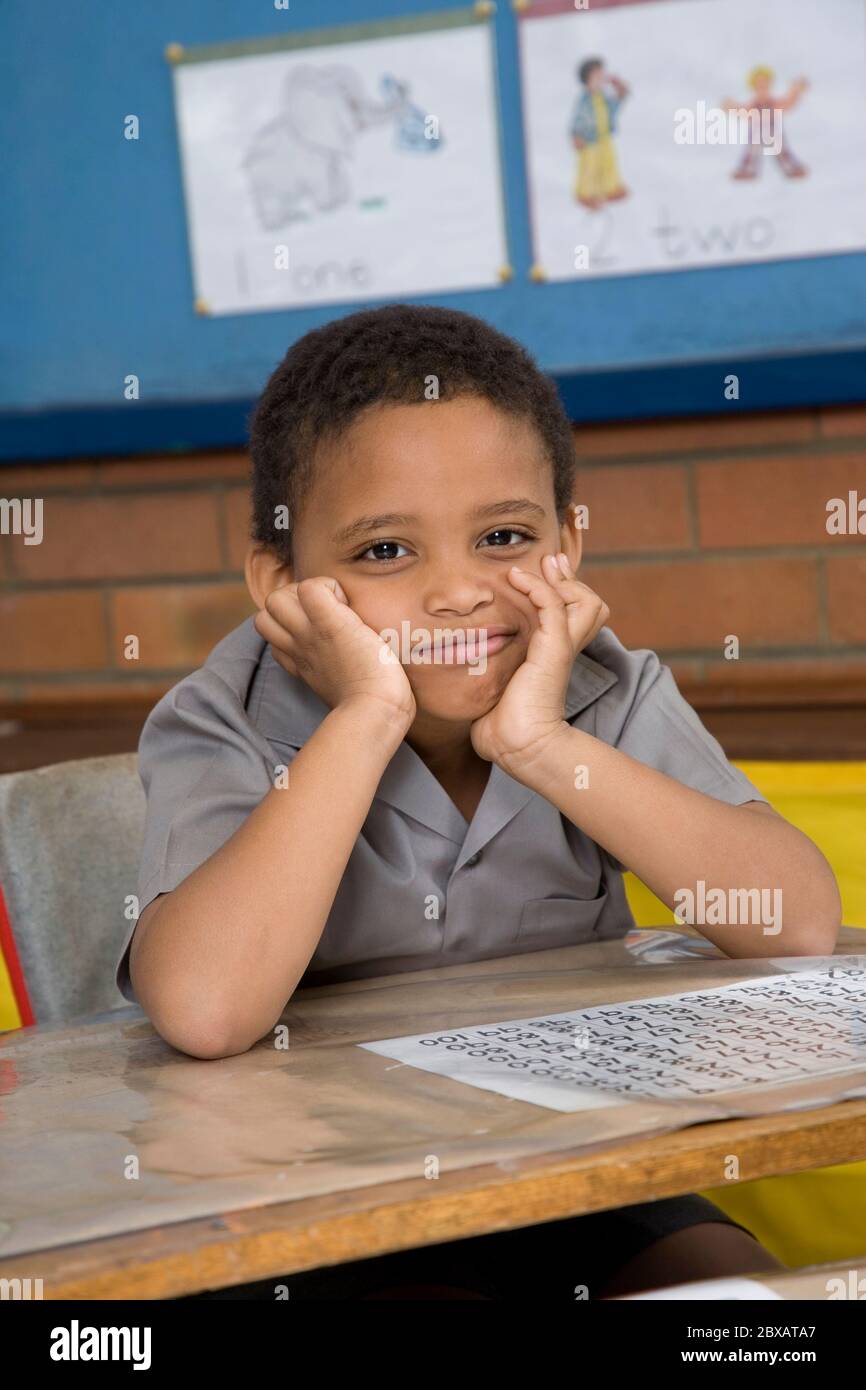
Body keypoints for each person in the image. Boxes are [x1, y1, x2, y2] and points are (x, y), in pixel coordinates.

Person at [117, 304, 840, 1298]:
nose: (456, 593)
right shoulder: (225, 716)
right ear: (282, 582)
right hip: (304, 1203)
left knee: (745, 1309)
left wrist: (541, 745)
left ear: (567, 544)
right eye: (383, 552)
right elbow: (204, 1009)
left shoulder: (601, 687)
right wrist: (367, 713)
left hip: (578, 1179)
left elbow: (793, 925)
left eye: (502, 536)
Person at [570, 57, 630, 209]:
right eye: (596, 76)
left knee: (609, 165)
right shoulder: (585, 101)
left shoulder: (603, 99)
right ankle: (586, 195)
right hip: (589, 141)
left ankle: (611, 190)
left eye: (602, 75)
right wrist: (577, 135)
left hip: (604, 139)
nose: (601, 79)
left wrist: (620, 87)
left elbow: (618, 102)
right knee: (590, 168)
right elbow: (577, 119)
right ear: (587, 80)